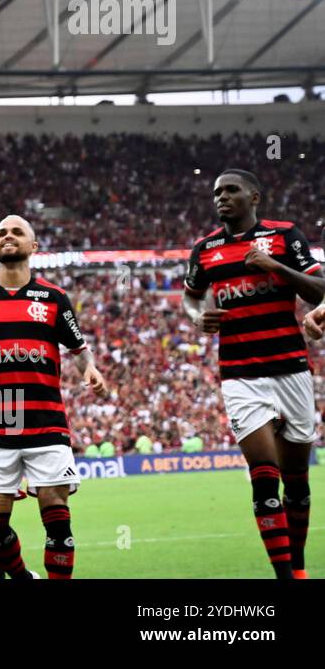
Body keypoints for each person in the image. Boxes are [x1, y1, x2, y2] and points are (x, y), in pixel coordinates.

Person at [181, 169, 324, 579]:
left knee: (296, 482)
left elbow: (319, 290)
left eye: (231, 190)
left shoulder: (285, 236)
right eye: (217, 192)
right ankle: (286, 576)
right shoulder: (204, 249)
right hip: (240, 374)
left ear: (254, 196)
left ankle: (298, 566)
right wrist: (198, 318)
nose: (221, 197)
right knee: (264, 475)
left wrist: (274, 266)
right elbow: (190, 299)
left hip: (291, 369)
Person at [0, 216, 107, 579]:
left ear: (33, 247)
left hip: (47, 424)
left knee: (58, 523)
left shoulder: (53, 298)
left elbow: (79, 349)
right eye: (1, 232)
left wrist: (90, 369)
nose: (8, 236)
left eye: (17, 232)